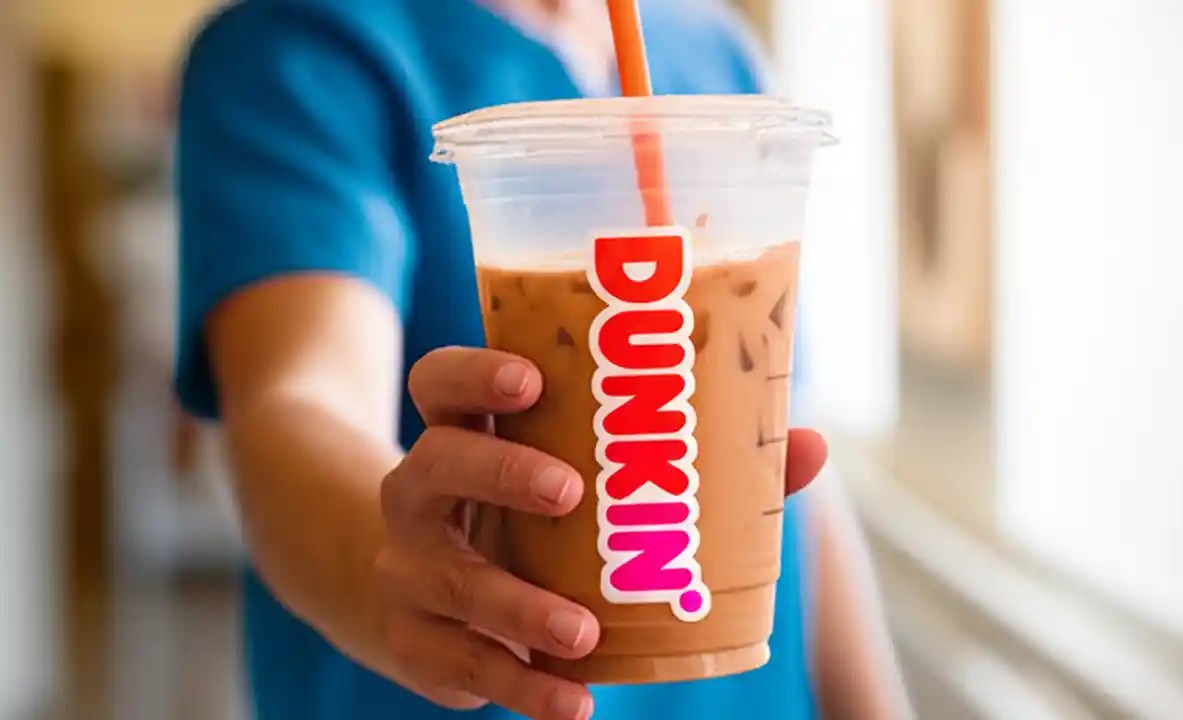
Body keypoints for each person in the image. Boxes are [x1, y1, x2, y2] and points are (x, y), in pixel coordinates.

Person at [176, 0, 906, 718]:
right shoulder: (301, 51)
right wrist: (383, 564)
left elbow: (785, 449)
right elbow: (302, 398)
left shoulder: (714, 51)